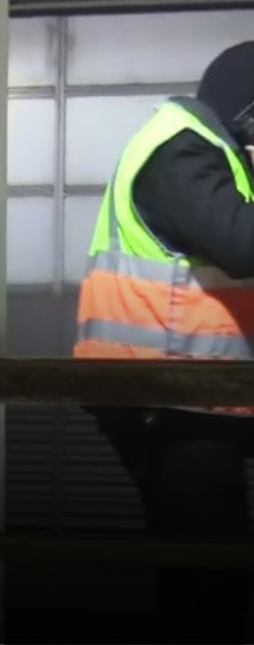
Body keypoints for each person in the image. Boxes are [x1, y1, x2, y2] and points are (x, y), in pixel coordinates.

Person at [72, 40, 254, 644]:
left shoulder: (203, 153)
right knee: (206, 572)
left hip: (186, 392)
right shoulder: (181, 150)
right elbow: (241, 244)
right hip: (168, 391)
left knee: (202, 563)